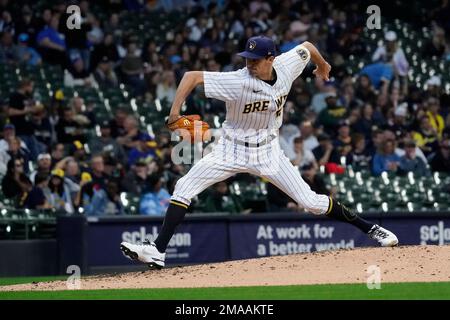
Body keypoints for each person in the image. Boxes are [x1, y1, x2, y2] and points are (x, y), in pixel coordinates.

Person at [120, 36, 398, 269]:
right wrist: (175, 112)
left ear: (271, 59)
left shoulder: (288, 65)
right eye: (246, 58)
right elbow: (191, 76)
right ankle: (158, 250)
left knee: (311, 202)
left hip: (268, 152)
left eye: (255, 59)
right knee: (183, 186)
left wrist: (322, 65)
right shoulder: (237, 80)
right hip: (229, 149)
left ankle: (372, 229)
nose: (249, 63)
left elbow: (308, 46)